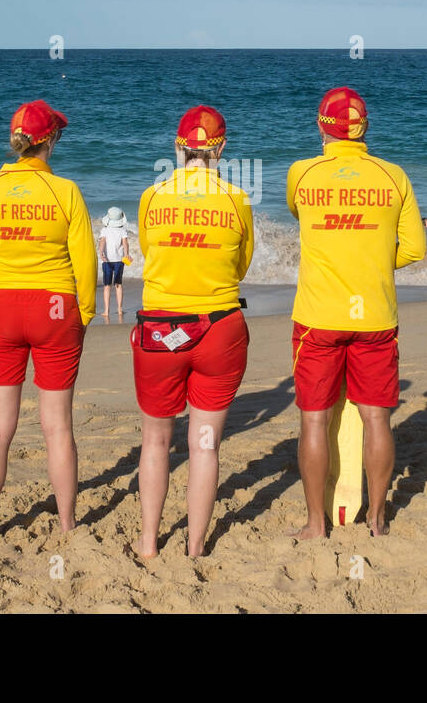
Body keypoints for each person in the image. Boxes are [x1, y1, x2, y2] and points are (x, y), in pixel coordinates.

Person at [287, 87, 426, 539]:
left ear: (320, 126)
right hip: (375, 316)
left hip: (318, 315)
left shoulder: (301, 173)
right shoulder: (393, 176)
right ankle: (378, 518)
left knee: (314, 418)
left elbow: (301, 216)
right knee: (375, 417)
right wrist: (371, 261)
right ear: (365, 129)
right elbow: (416, 249)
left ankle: (315, 524)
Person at [0, 100, 97, 540]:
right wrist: (85, 314)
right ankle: (68, 523)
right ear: (50, 141)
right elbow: (86, 264)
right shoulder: (66, 191)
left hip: (1, 306)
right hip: (55, 308)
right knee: (57, 426)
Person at [133, 107, 253, 558]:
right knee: (205, 445)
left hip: (160, 329)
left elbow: (149, 253)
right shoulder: (237, 200)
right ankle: (196, 546)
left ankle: (148, 543)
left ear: (178, 146)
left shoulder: (152, 197)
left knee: (155, 441)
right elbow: (240, 266)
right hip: (219, 326)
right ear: (221, 149)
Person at [98, 207, 130, 318]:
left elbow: (102, 242)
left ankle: (106, 311)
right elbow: (125, 243)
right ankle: (120, 309)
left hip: (107, 261)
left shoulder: (105, 230)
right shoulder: (123, 230)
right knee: (118, 285)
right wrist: (126, 254)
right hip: (119, 261)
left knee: (107, 286)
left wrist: (101, 253)